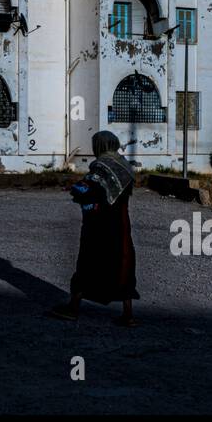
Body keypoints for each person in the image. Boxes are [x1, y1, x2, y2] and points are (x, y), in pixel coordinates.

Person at [47, 130, 140, 326]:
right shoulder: (124, 164)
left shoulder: (101, 165)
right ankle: (128, 314)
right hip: (121, 223)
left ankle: (73, 307)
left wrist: (74, 189)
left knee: (89, 261)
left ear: (100, 146)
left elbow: (89, 189)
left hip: (100, 223)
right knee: (122, 262)